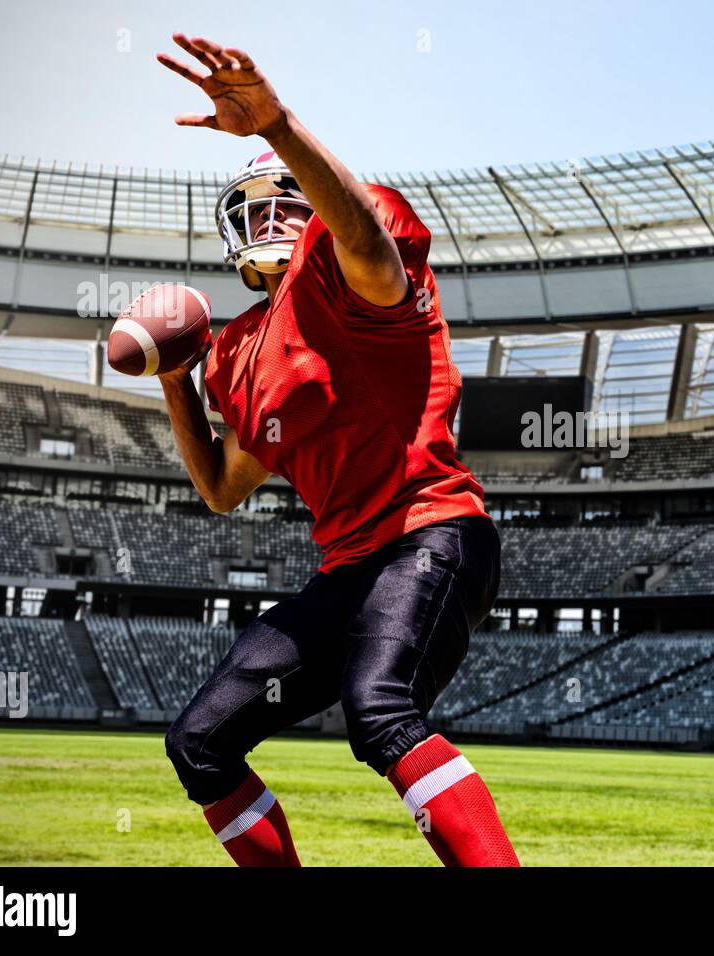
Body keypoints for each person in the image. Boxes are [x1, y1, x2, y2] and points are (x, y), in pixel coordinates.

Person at [155, 32, 519, 867]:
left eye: (288, 198)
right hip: (348, 569)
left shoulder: (346, 258)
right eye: (257, 208)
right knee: (198, 742)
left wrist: (276, 126)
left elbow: (363, 237)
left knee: (379, 708)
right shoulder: (243, 346)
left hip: (433, 531)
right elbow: (220, 486)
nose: (273, 218)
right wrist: (175, 377)